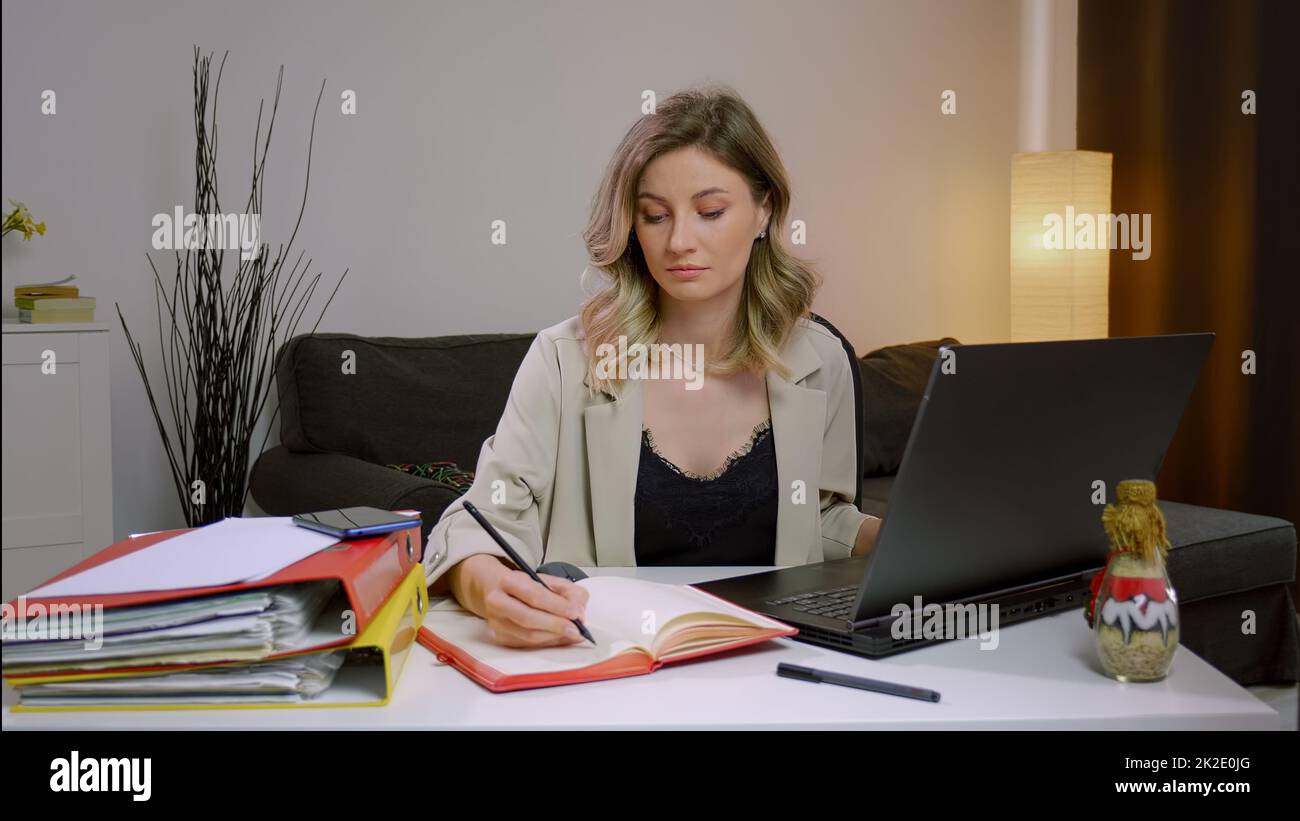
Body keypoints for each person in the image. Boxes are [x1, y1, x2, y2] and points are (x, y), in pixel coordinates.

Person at [424, 85, 880, 647]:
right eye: (655, 216)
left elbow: (821, 520)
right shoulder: (565, 362)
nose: (680, 241)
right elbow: (478, 521)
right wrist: (485, 585)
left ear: (764, 210)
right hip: (613, 670)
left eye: (710, 211)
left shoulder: (820, 360)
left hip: (778, 664)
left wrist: (904, 541)